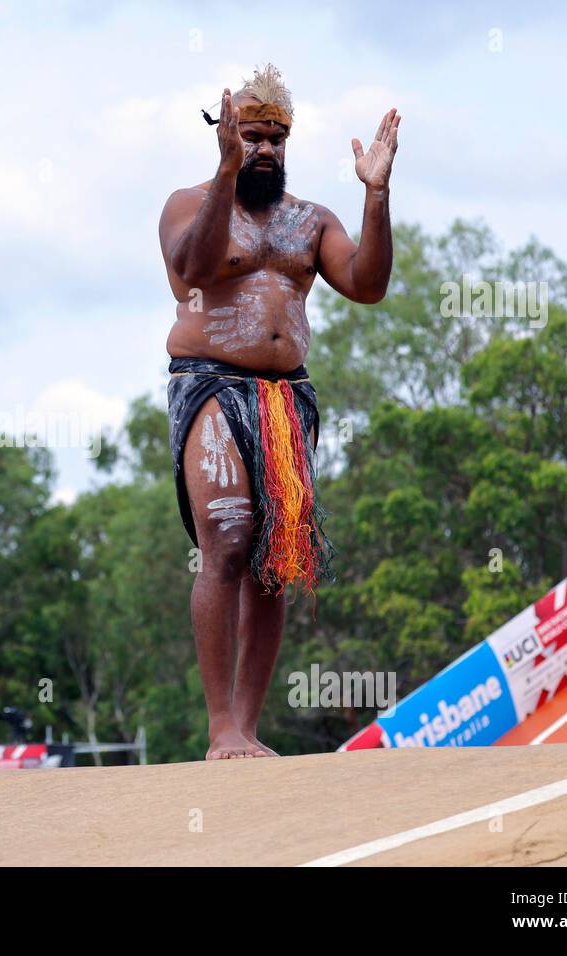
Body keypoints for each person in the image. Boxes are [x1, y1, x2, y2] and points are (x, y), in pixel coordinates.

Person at [158, 65, 400, 759]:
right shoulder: (188, 202)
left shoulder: (309, 220)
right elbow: (194, 271)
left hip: (286, 397)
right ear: (229, 134)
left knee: (273, 560)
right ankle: (218, 729)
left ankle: (248, 726)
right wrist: (226, 173)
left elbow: (368, 284)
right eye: (252, 137)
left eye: (275, 140)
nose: (265, 150)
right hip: (210, 384)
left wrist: (375, 194)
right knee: (227, 538)